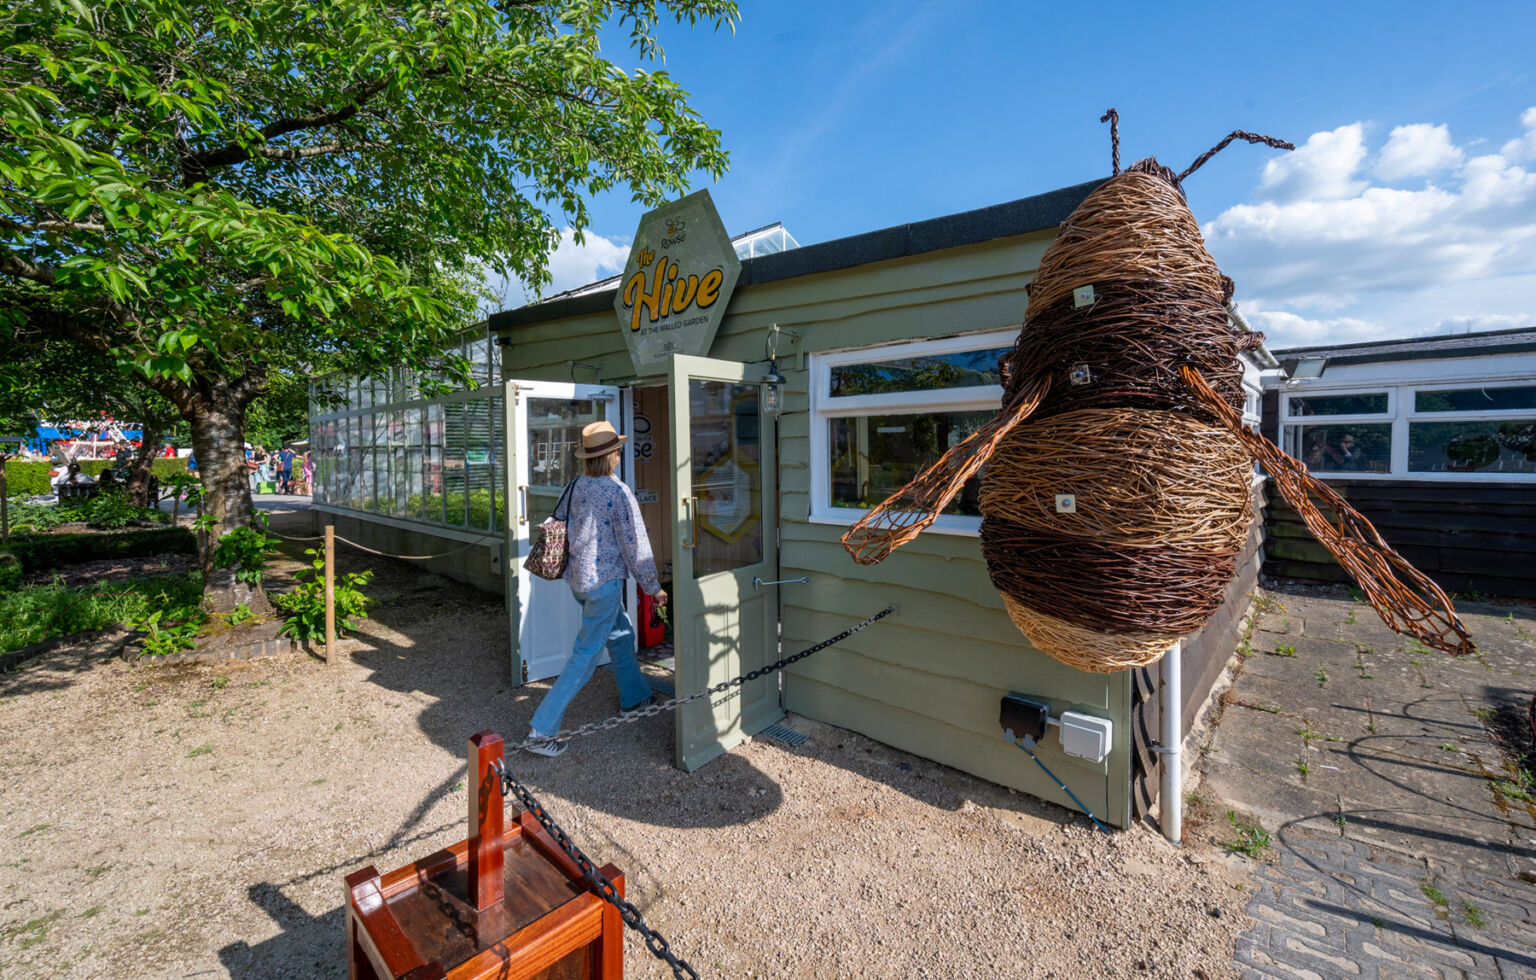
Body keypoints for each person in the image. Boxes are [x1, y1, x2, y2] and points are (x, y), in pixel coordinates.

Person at [526, 421, 667, 757]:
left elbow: (557, 519)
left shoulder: (575, 485)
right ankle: (540, 732)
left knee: (619, 635)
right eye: (617, 450)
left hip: (578, 582)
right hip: (603, 586)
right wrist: (654, 587)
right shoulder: (618, 493)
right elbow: (636, 546)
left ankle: (635, 696)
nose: (619, 454)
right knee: (584, 658)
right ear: (611, 457)